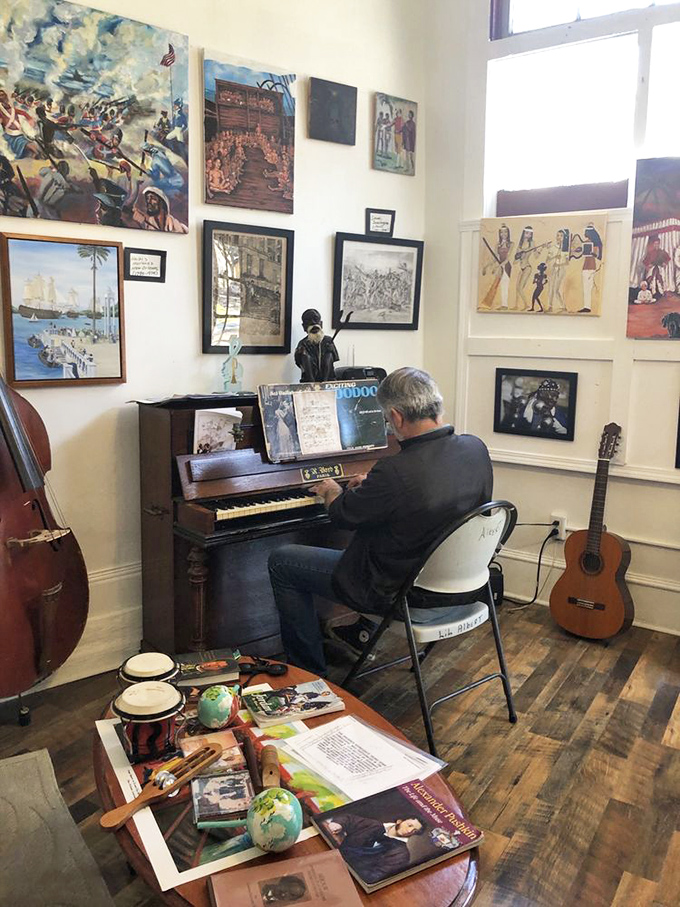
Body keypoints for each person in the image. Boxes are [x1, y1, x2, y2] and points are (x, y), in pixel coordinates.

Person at [268, 367, 493, 675]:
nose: (389, 426)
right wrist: (374, 487)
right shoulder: (475, 448)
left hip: (406, 595)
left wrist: (333, 490)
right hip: (465, 589)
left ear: (397, 417)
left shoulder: (396, 472)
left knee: (282, 561)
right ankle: (352, 637)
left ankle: (309, 674)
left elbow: (342, 515)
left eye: (388, 420)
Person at [321, 813, 424, 884]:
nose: (409, 830)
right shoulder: (373, 825)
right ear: (399, 821)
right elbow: (348, 818)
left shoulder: (401, 854)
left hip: (346, 878)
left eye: (415, 830)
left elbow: (375, 876)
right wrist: (338, 824)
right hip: (326, 856)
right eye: (409, 825)